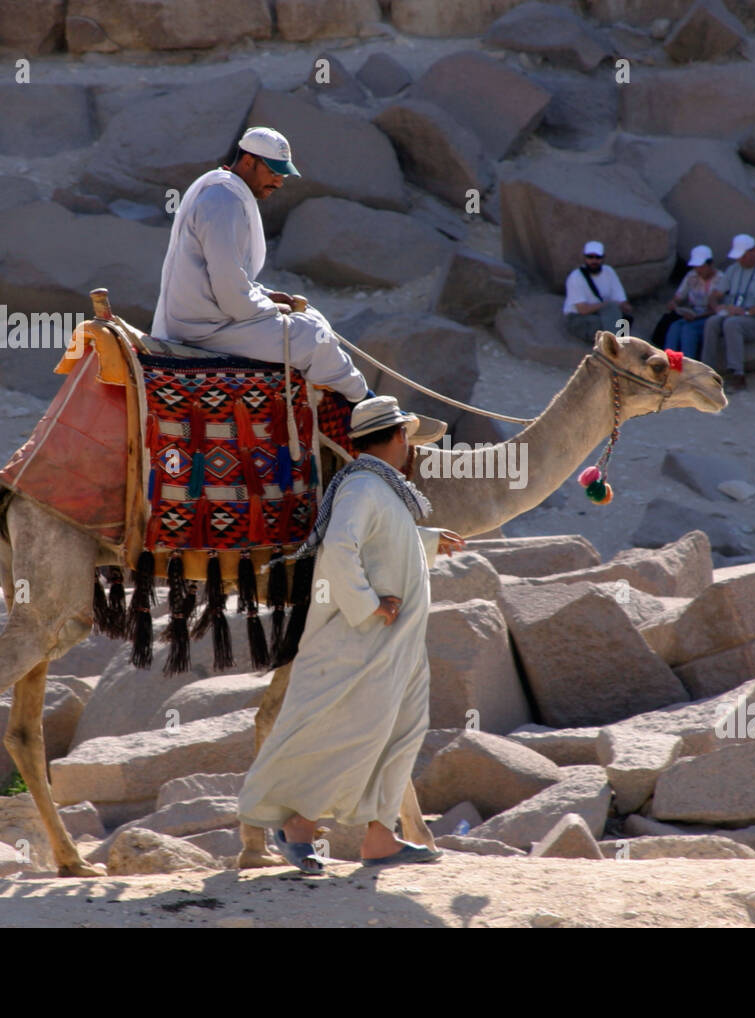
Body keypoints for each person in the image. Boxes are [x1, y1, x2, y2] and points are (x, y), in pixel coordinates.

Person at [236, 396, 466, 872]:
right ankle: (297, 825)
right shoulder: (363, 487)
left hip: (395, 645)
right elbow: (341, 548)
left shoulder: (379, 487)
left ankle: (381, 837)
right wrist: (368, 604)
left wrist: (426, 539)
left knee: (399, 732)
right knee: (350, 732)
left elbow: (382, 544)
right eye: (407, 438)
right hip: (365, 641)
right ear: (400, 437)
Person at [151, 126, 369, 402]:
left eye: (282, 175)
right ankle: (370, 413)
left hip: (209, 319)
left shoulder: (224, 192)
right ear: (248, 162)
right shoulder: (224, 199)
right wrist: (269, 307)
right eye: (274, 172)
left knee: (312, 320)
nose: (279, 182)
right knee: (314, 338)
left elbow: (226, 276)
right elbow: (232, 296)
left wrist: (264, 296)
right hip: (203, 329)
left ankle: (352, 408)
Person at [700, 233, 755, 392]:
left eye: (742, 256)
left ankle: (737, 375)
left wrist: (747, 312)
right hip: (734, 314)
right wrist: (718, 308)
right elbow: (715, 295)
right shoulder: (733, 270)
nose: (740, 260)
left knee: (732, 324)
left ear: (753, 252)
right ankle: (706, 372)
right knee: (712, 322)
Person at [562, 240, 634, 342]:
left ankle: (615, 345)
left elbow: (622, 301)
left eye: (597, 257)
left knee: (623, 321)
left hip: (603, 314)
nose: (594, 261)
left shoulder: (609, 272)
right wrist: (607, 305)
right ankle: (614, 347)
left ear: (603, 258)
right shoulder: (575, 277)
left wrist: (624, 307)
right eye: (590, 257)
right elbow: (582, 309)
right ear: (584, 258)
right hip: (579, 318)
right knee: (607, 322)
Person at [664, 245, 723, 360]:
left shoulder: (721, 279)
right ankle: (669, 363)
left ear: (710, 264)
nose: (698, 270)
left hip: (710, 316)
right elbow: (679, 296)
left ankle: (688, 366)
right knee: (675, 327)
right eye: (696, 267)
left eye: (701, 267)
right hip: (694, 313)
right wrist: (674, 303)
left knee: (688, 330)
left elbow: (719, 308)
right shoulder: (692, 276)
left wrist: (697, 316)